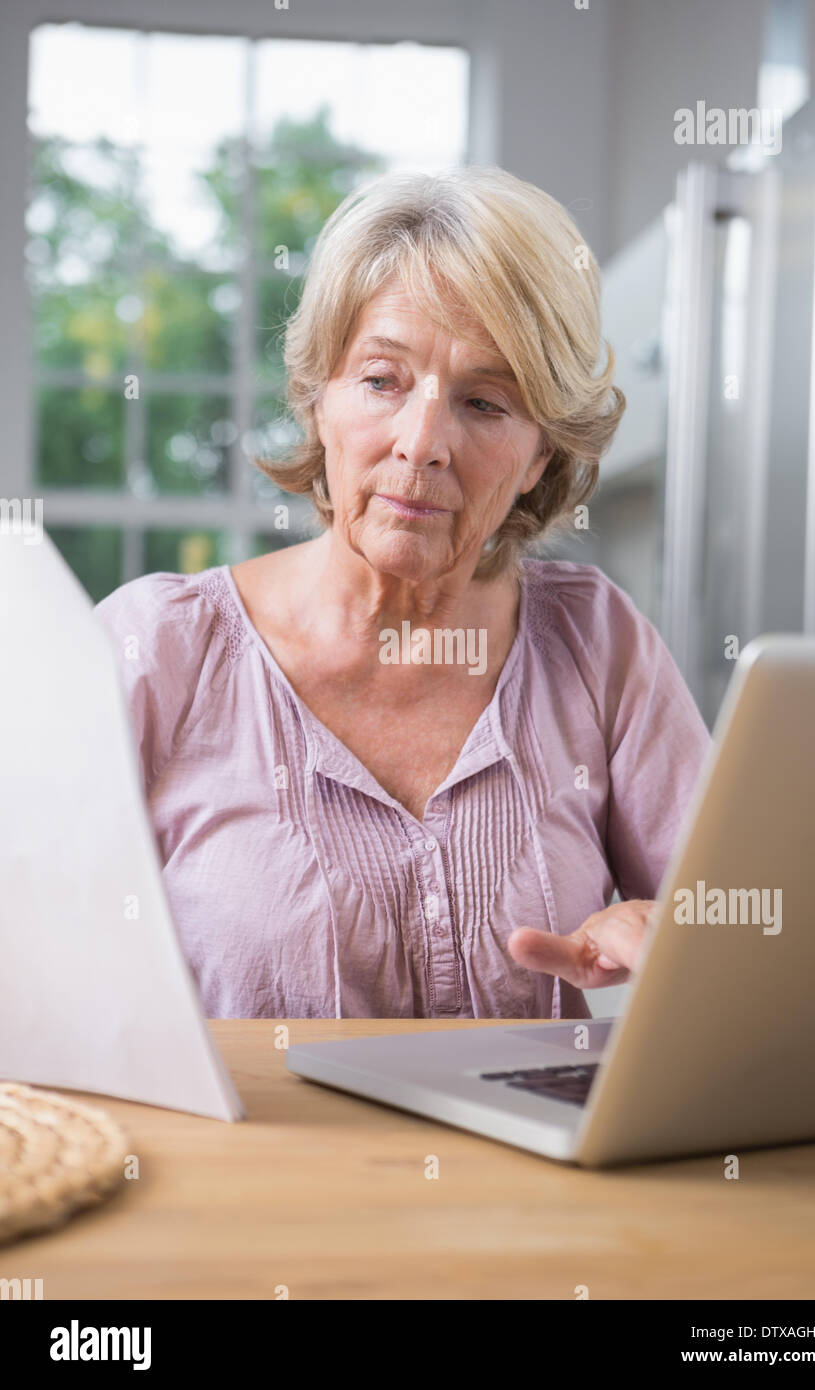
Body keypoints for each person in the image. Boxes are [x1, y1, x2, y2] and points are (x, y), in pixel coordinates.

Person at [95, 166, 711, 1019]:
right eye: (381, 381)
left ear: (542, 455)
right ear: (319, 403)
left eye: (485, 402)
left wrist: (675, 935)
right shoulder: (158, 647)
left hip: (531, 1158)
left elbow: (744, 945)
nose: (422, 443)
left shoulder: (598, 643)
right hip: (243, 1158)